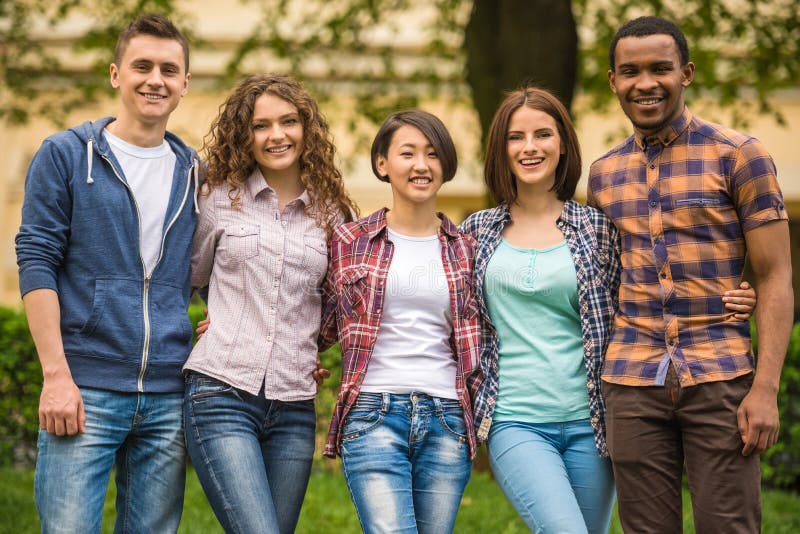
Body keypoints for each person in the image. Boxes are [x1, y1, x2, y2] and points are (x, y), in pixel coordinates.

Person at [461, 87, 756, 533]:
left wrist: (730, 298)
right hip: (514, 419)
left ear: (563, 143)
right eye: (516, 137)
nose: (530, 147)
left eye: (543, 134)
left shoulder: (597, 226)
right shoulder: (474, 231)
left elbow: (650, 290)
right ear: (500, 148)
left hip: (593, 421)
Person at [588, 16, 793, 532]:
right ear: (613, 81)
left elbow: (774, 279)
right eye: (630, 71)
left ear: (687, 72)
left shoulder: (740, 156)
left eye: (661, 68)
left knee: (730, 526)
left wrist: (764, 388)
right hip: (631, 379)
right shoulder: (603, 174)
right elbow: (606, 281)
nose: (645, 83)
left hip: (720, 376)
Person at [15, 14, 197, 533]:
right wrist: (56, 378)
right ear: (116, 74)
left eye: (168, 69)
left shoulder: (195, 171)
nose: (155, 79)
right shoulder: (66, 155)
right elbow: (37, 261)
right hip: (84, 390)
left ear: (185, 84)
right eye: (142, 66)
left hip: (166, 395)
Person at [184, 74, 357, 534]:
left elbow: (336, 305)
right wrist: (203, 325)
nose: (277, 135)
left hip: (294, 407)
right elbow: (182, 283)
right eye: (261, 125)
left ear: (307, 129)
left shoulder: (332, 214)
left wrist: (311, 349)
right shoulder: (219, 199)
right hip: (221, 393)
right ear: (245, 134)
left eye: (289, 121)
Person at [319, 110, 483, 533]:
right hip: (374, 411)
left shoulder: (467, 248)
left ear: (445, 165)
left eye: (432, 154)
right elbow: (316, 318)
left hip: (447, 415)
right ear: (382, 164)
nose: (421, 165)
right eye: (407, 153)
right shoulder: (350, 241)